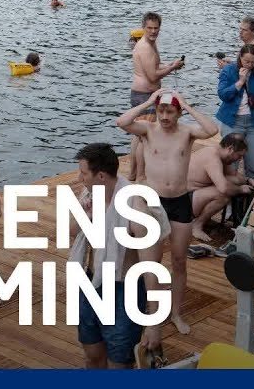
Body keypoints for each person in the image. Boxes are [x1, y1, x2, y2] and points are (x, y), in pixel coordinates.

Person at [116, 90, 218, 334]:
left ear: (178, 113)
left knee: (179, 260)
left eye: (169, 111)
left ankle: (176, 313)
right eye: (161, 111)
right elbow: (122, 122)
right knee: (152, 262)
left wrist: (187, 104)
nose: (164, 116)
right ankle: (153, 315)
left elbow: (212, 129)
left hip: (180, 201)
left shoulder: (187, 133)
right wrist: (150, 102)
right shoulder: (148, 131)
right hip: (153, 202)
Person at [70, 143, 165, 368]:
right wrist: (85, 212)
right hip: (92, 281)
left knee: (119, 364)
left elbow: (151, 268)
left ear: (100, 175)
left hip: (125, 292)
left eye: (83, 173)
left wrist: (153, 324)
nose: (79, 177)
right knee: (92, 355)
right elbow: (72, 231)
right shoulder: (90, 195)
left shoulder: (136, 207)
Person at [128, 12, 185, 181]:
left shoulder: (151, 43)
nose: (153, 31)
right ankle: (140, 175)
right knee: (145, 136)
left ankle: (132, 172)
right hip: (144, 95)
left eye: (156, 28)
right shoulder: (145, 47)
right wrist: (173, 67)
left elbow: (154, 65)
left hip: (143, 94)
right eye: (149, 28)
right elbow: (152, 76)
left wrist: (169, 64)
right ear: (143, 27)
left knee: (138, 135)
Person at [215, 45, 254, 181]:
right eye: (246, 61)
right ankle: (230, 195)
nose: (249, 65)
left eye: (253, 62)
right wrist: (240, 82)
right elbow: (223, 95)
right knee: (230, 164)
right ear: (240, 58)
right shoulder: (228, 70)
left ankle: (251, 191)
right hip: (232, 121)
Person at [188, 134, 254, 243]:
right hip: (181, 202)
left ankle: (203, 220)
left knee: (230, 182)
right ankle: (196, 225)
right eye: (239, 156)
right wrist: (240, 189)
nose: (239, 159)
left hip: (194, 196)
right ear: (230, 149)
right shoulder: (212, 157)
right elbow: (224, 188)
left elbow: (234, 175)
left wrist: (248, 180)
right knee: (223, 194)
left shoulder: (222, 155)